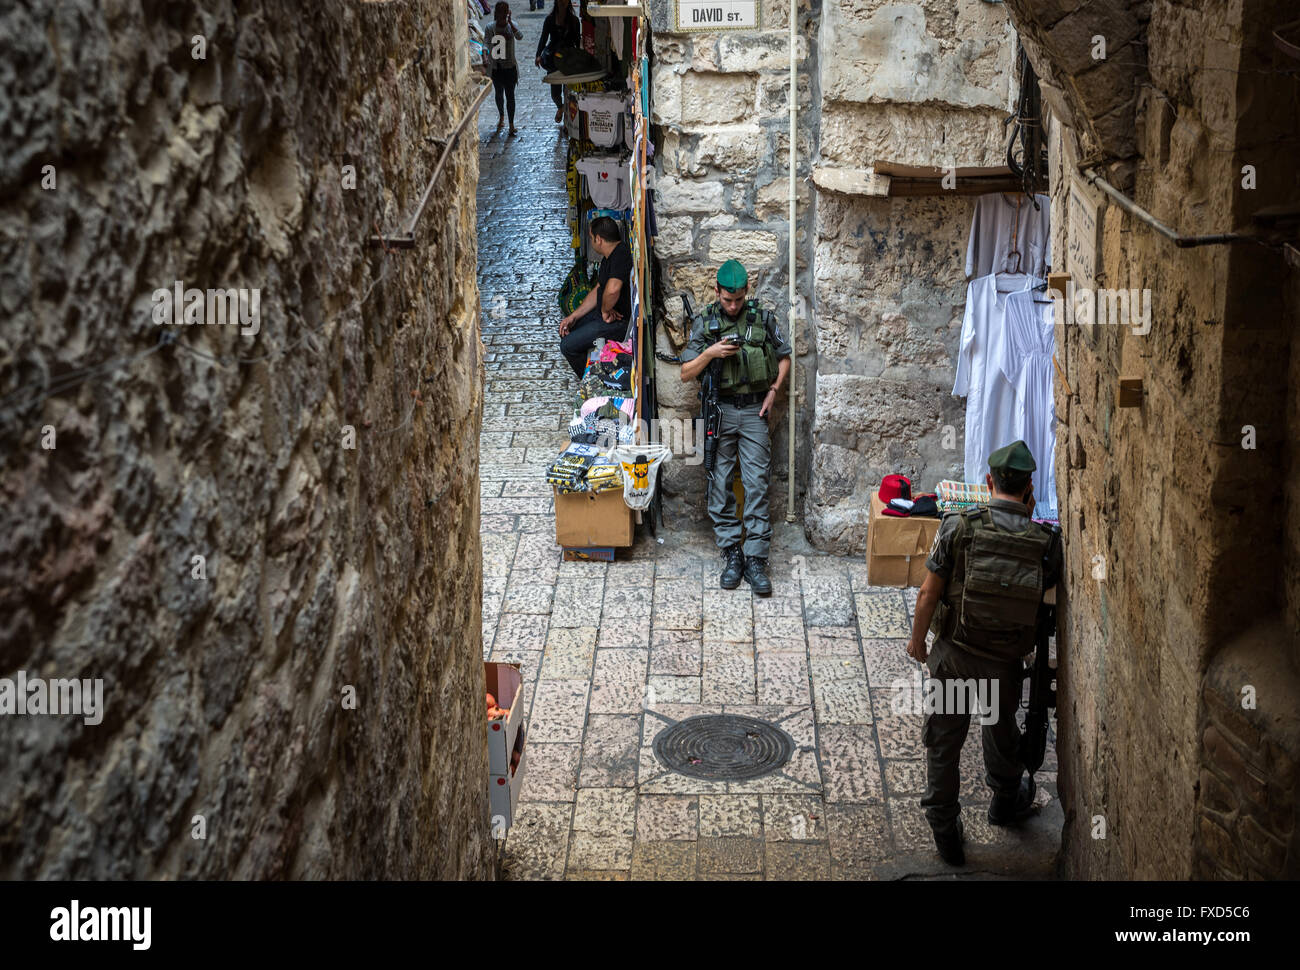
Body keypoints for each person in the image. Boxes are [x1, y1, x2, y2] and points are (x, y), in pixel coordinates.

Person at [906, 439, 1063, 867]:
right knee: (999, 729)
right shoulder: (1045, 542)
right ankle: (1005, 802)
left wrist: (918, 641)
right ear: (1030, 487)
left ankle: (945, 830)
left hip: (955, 655)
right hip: (1003, 665)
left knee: (944, 740)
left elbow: (927, 593)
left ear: (989, 481)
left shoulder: (960, 526)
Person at [679, 260, 792, 597]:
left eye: (738, 300)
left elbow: (784, 356)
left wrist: (774, 392)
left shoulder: (762, 318)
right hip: (720, 412)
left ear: (746, 293)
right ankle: (731, 553)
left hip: (755, 410)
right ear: (717, 292)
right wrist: (711, 352)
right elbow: (685, 372)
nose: (732, 306)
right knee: (720, 482)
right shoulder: (705, 322)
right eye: (727, 300)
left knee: (757, 483)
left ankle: (756, 559)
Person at [559, 217, 631, 378]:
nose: (591, 241)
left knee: (568, 346)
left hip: (617, 323)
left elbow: (612, 290)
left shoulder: (621, 254)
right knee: (569, 330)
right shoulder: (608, 257)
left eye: (591, 238)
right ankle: (595, 370)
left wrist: (606, 310)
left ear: (599, 239)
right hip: (603, 317)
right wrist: (573, 316)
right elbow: (599, 289)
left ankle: (593, 380)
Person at [535, 0, 582, 124]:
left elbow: (577, 42)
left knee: (568, 92)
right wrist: (538, 55)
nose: (562, 2)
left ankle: (568, 121)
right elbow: (543, 38)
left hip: (568, 60)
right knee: (555, 94)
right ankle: (560, 107)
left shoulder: (574, 21)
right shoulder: (550, 20)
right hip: (553, 59)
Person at [484, 3, 524, 135]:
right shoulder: (490, 27)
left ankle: (511, 125)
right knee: (499, 94)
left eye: (505, 12)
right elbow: (485, 43)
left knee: (510, 96)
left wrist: (511, 23)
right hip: (497, 68)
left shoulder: (511, 27)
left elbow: (520, 36)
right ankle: (501, 116)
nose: (503, 14)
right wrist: (485, 57)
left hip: (510, 67)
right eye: (501, 12)